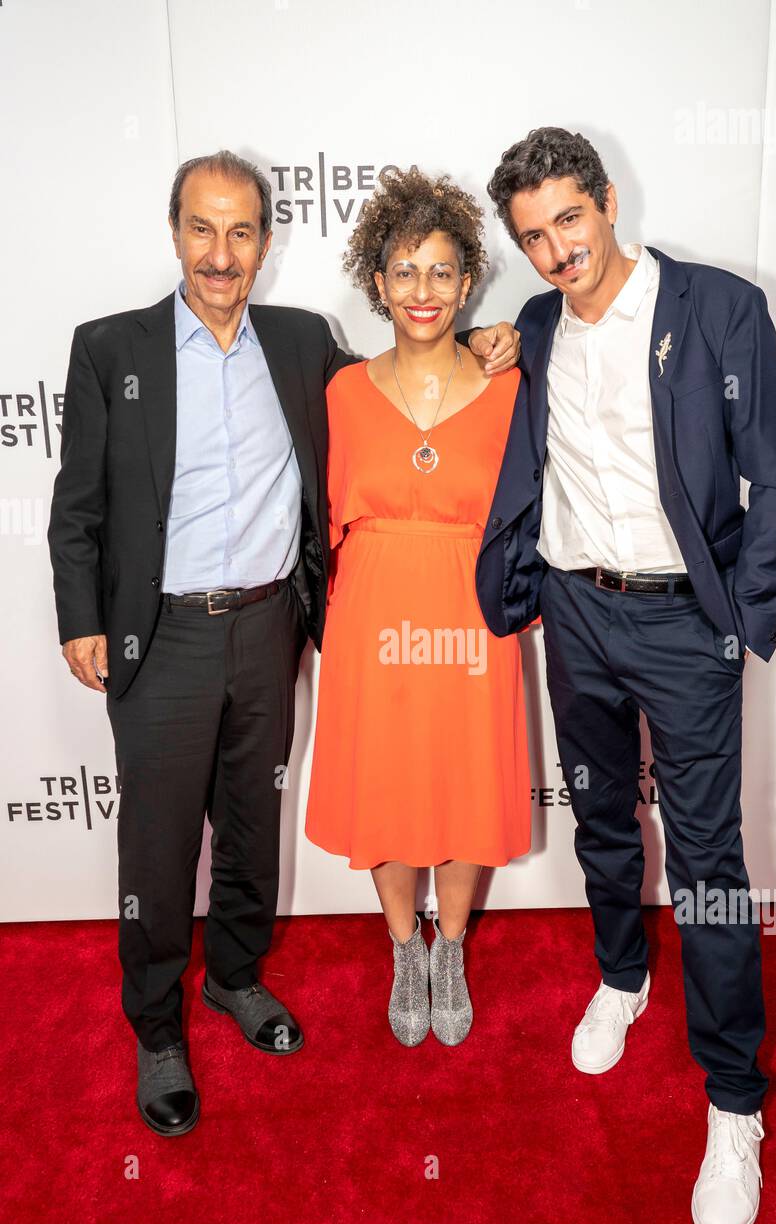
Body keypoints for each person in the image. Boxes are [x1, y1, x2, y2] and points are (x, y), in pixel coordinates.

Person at [47, 149, 519, 1137]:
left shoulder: (303, 346)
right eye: (202, 229)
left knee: (250, 830)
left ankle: (238, 979)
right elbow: (76, 505)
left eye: (242, 230)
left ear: (267, 239)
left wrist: (491, 336)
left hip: (271, 625)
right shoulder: (111, 349)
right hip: (163, 632)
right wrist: (81, 616)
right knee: (159, 841)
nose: (222, 253)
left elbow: (411, 385)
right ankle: (156, 1027)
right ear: (175, 232)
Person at [477, 127, 776, 1224]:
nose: (555, 251)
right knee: (602, 821)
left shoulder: (717, 308)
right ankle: (620, 974)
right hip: (574, 612)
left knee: (709, 860)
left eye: (568, 220)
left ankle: (731, 1101)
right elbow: (518, 368)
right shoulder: (532, 325)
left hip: (680, 621)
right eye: (531, 236)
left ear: (607, 201)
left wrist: (743, 616)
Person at [305, 167, 532, 1047]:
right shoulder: (343, 393)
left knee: (468, 784)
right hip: (374, 616)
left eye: (442, 271)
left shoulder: (511, 384)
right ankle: (406, 944)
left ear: (468, 280)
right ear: (377, 283)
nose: (423, 291)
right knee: (390, 786)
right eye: (404, 271)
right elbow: (321, 516)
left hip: (472, 612)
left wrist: (502, 339)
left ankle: (454, 943)